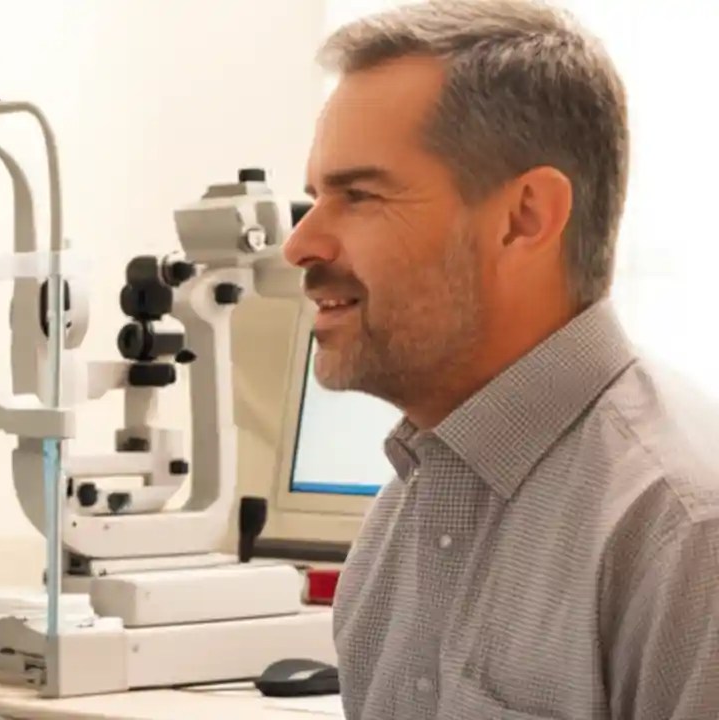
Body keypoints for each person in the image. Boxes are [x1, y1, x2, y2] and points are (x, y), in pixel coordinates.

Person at [283, 1, 719, 718]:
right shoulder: (400, 520)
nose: (301, 244)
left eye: (358, 196)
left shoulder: (682, 531)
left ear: (525, 217)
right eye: (314, 198)